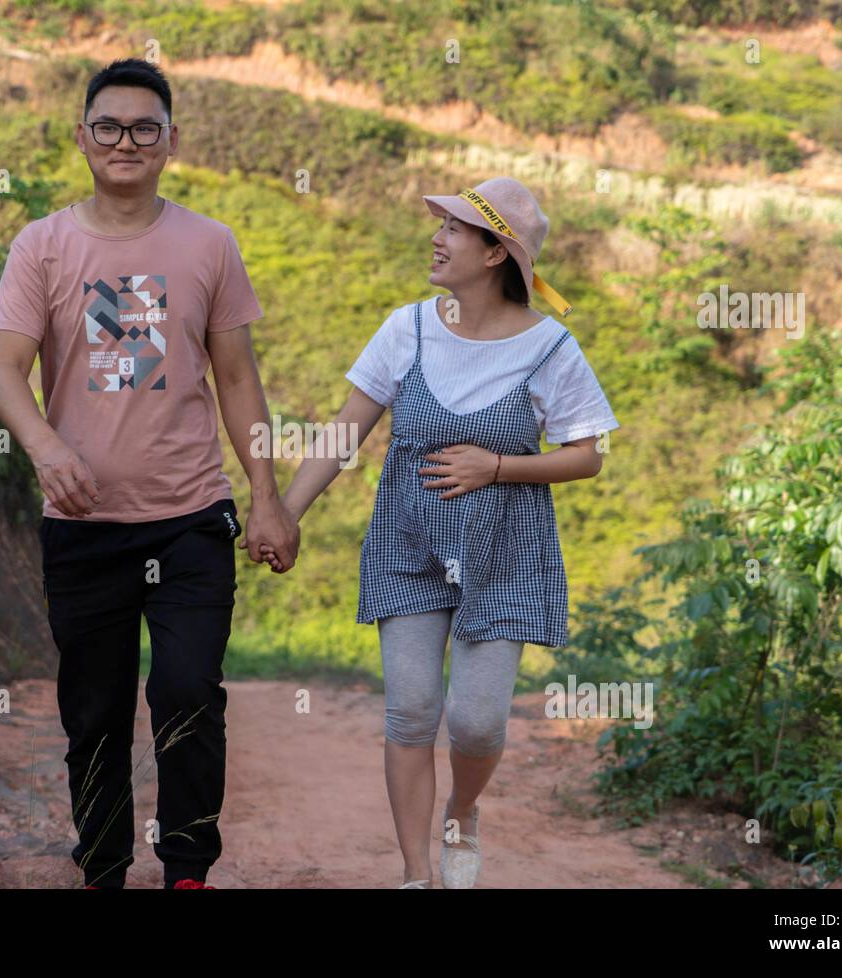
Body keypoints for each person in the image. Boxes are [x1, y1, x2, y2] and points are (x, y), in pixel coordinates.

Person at [0, 58, 299, 890]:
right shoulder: (43, 245)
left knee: (189, 693)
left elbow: (237, 379)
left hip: (191, 515)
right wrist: (48, 452)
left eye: (145, 128)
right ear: (83, 138)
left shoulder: (209, 243)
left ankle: (188, 870)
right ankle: (104, 870)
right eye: (111, 127)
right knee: (94, 713)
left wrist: (266, 497)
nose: (127, 141)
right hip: (84, 525)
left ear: (170, 142)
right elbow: (6, 368)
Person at [259, 177, 618, 888]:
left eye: (455, 229)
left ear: (493, 254)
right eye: (442, 225)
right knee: (413, 708)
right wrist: (285, 513)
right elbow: (342, 434)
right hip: (409, 546)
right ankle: (416, 873)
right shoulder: (408, 328)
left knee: (478, 723)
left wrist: (499, 466)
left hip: (507, 553)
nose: (437, 237)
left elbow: (588, 456)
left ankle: (463, 810)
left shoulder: (549, 348)